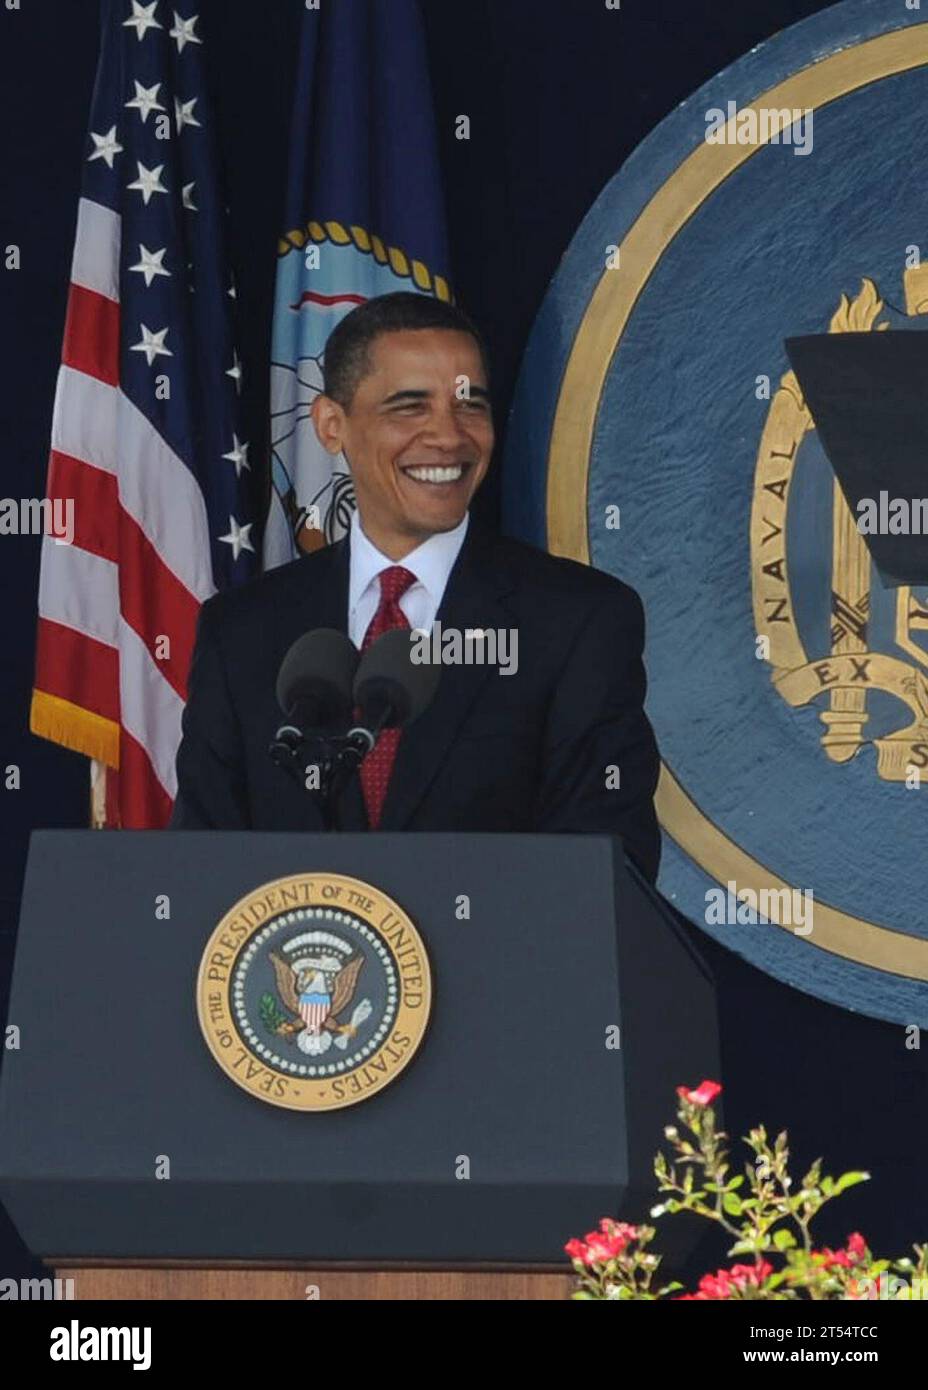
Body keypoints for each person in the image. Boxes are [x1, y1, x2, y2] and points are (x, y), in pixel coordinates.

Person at [171, 292, 662, 882]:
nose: (448, 438)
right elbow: (198, 867)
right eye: (409, 407)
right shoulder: (243, 630)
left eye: (470, 405)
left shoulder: (579, 622)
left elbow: (610, 868)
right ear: (332, 424)